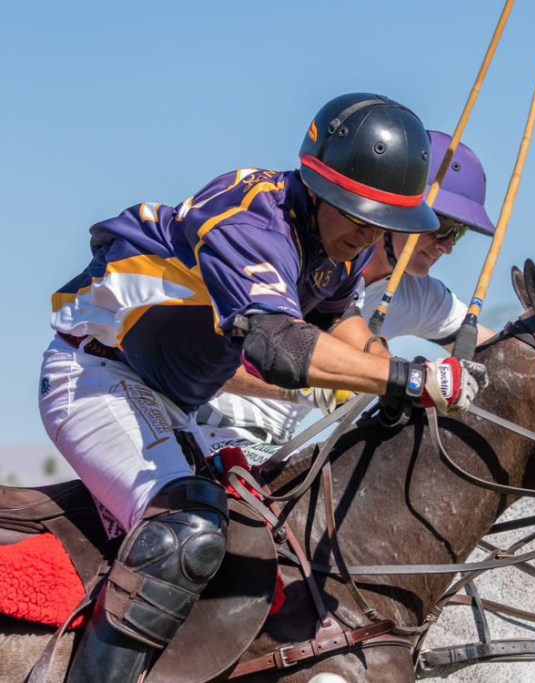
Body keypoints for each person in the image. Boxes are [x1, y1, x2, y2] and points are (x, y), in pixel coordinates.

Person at [39, 93, 488, 682]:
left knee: (264, 541)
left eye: (383, 224)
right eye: (360, 216)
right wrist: (406, 379)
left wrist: (392, 375)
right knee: (186, 534)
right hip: (96, 375)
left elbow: (335, 321)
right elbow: (276, 345)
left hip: (174, 401)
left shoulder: (339, 245)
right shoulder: (251, 217)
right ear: (320, 188)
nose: (368, 236)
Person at [199, 130, 498, 462]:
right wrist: (310, 389)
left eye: (460, 232)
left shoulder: (422, 297)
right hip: (206, 420)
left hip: (280, 442)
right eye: (442, 228)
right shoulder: (290, 250)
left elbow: (497, 348)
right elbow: (215, 357)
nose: (448, 246)